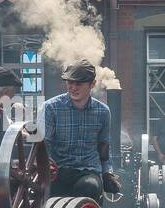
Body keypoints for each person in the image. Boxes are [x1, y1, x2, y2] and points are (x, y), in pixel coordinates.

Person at [40, 60, 121, 200]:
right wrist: (45, 168)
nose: (73, 87)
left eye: (79, 83)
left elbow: (104, 148)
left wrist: (107, 173)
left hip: (88, 172)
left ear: (92, 84)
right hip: (57, 171)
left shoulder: (103, 112)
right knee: (50, 196)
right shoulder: (50, 108)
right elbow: (44, 144)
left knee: (89, 187)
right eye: (70, 83)